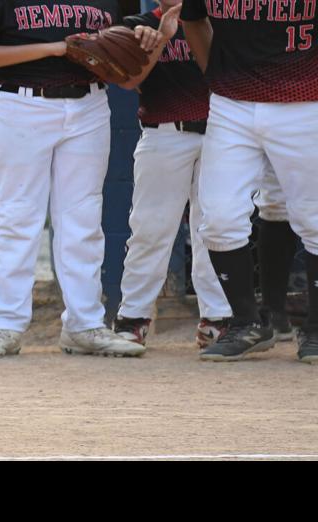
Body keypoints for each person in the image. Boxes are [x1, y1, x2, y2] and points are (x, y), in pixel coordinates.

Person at [0, 0, 144, 358]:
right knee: (18, 216)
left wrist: (141, 40)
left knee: (83, 218)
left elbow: (126, 64)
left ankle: (84, 324)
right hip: (21, 102)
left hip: (89, 104)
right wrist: (55, 48)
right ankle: (4, 324)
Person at [183, 0, 318, 363]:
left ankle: (317, 330)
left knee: (317, 221)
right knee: (220, 219)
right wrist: (214, 72)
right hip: (232, 104)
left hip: (305, 103)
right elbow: (192, 19)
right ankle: (247, 323)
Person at [106, 0, 234, 351]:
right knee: (150, 227)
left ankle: (217, 318)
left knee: (216, 226)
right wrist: (162, 37)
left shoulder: (220, 20)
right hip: (164, 133)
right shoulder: (139, 25)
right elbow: (129, 82)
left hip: (221, 133)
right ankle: (133, 317)